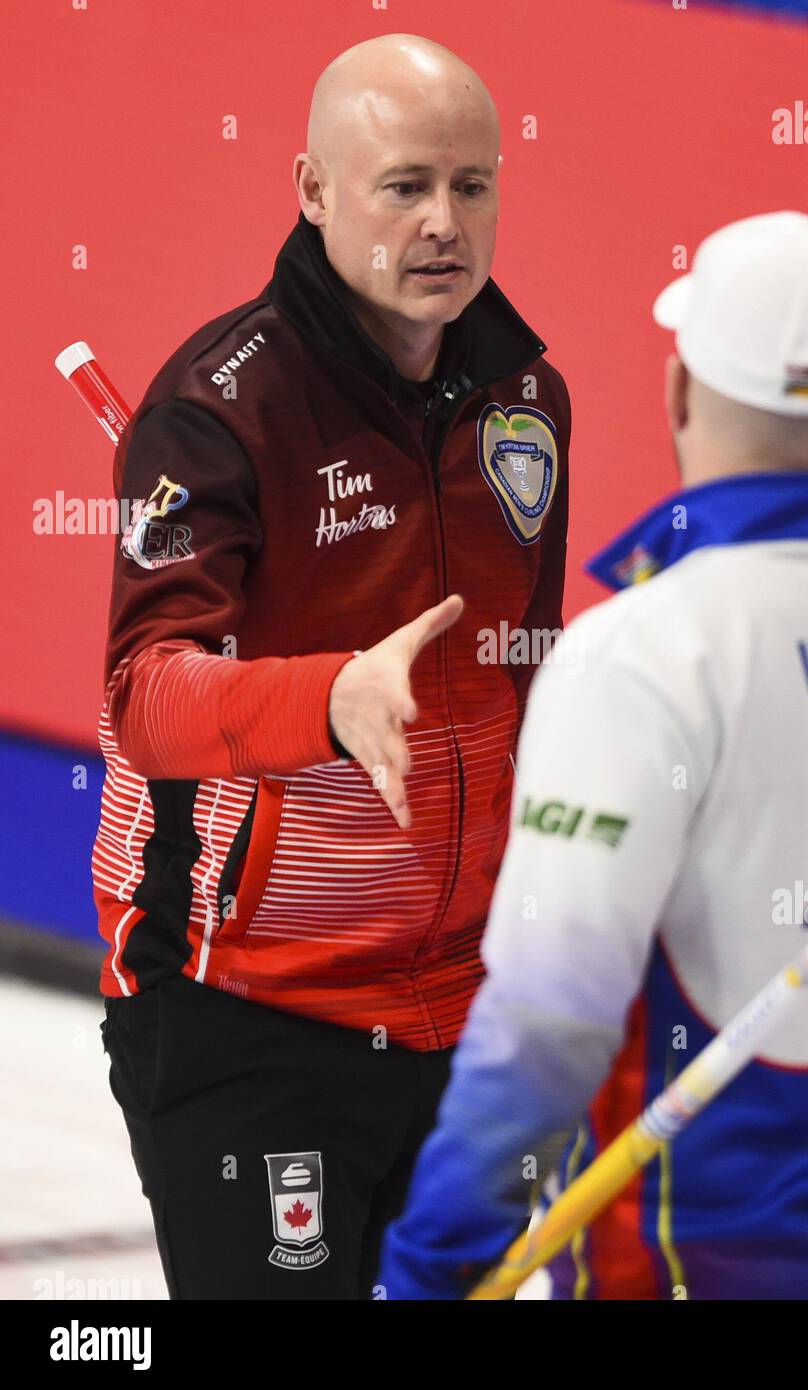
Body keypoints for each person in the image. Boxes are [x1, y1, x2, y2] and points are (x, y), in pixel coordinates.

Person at [379, 211, 808, 1300]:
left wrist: (425, 1271)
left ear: (677, 391)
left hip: (685, 1263)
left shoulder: (640, 649)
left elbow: (546, 1026)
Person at [95, 33, 570, 1299]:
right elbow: (145, 698)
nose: (442, 223)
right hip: (247, 1011)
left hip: (461, 1013)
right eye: (403, 184)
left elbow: (521, 676)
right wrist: (327, 695)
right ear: (312, 190)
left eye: (472, 186)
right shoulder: (213, 411)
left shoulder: (524, 399)